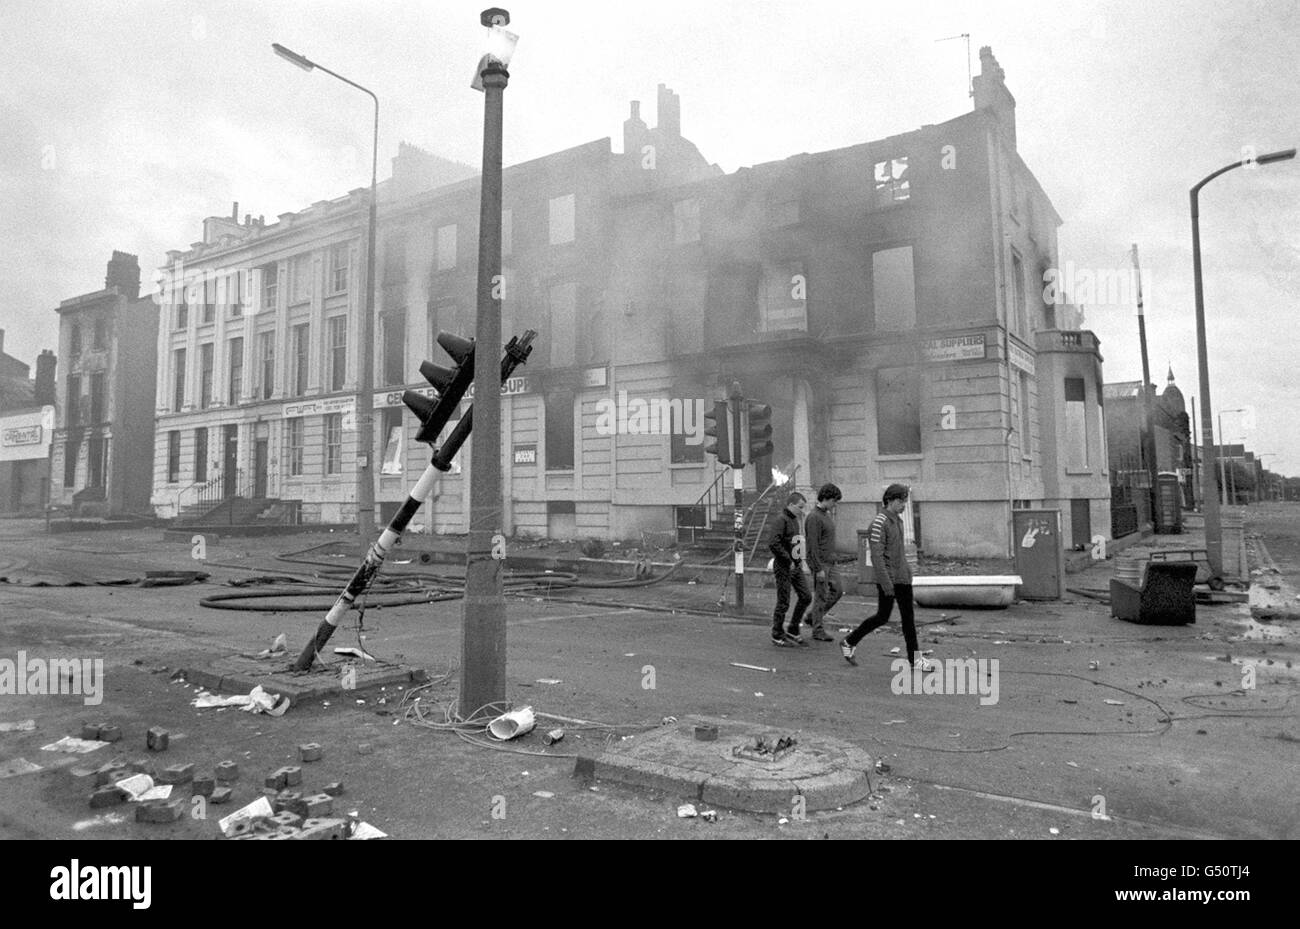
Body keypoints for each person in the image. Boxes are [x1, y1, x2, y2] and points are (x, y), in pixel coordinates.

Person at [840, 484, 934, 671]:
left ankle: (914, 659)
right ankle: (849, 641)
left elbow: (898, 552)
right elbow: (877, 557)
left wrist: (907, 572)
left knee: (906, 618)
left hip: (901, 578)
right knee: (883, 617)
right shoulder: (879, 523)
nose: (904, 505)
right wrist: (887, 585)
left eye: (905, 501)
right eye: (901, 501)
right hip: (890, 580)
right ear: (890, 500)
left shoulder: (896, 521)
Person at [767, 491, 812, 647]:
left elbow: (795, 541)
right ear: (791, 505)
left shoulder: (794, 520)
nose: (802, 510)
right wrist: (787, 559)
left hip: (795, 566)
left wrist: (799, 561)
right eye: (800, 507)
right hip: (784, 566)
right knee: (784, 601)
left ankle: (793, 628)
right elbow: (773, 543)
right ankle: (777, 633)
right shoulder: (781, 520)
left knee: (806, 596)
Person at [803, 482, 844, 642]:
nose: (835, 505)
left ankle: (813, 617)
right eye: (834, 501)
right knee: (820, 596)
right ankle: (817, 629)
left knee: (838, 591)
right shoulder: (814, 517)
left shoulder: (825, 515)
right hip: (821, 563)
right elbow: (812, 545)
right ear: (826, 498)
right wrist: (817, 568)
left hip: (830, 562)